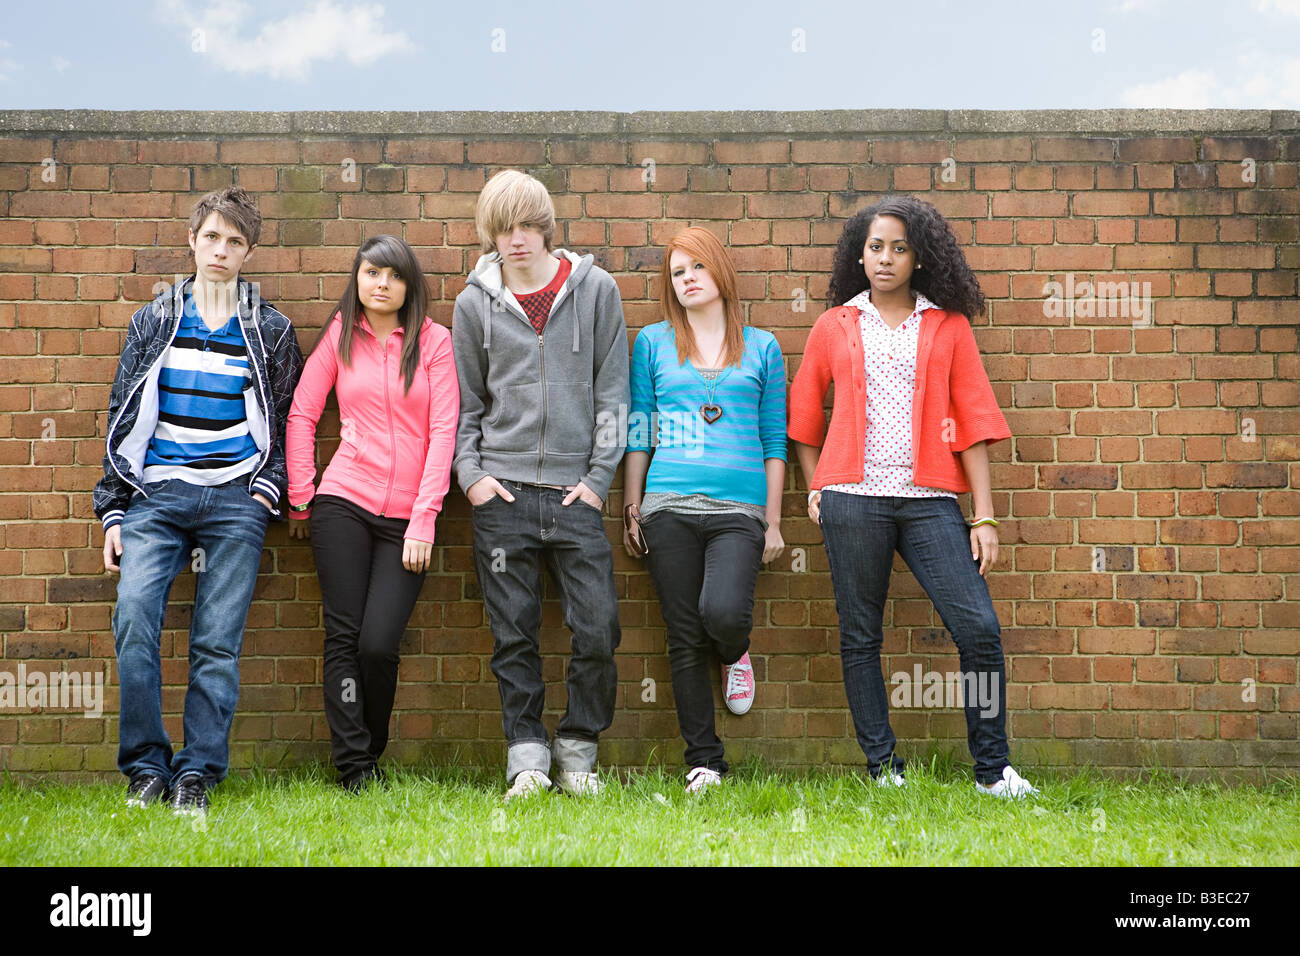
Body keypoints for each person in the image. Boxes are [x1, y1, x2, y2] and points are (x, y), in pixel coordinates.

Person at [788, 195, 1038, 798]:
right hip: (852, 500)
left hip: (929, 501)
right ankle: (883, 769)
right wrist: (816, 484)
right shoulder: (835, 325)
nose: (886, 258)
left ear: (919, 258)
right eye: (876, 246)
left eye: (900, 248)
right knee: (860, 636)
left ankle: (992, 771)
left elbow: (973, 420)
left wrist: (983, 516)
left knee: (978, 628)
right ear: (860, 253)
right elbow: (801, 416)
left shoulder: (946, 326)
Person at [95, 186, 304, 816]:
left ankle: (198, 775)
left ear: (248, 252)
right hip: (156, 497)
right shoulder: (154, 320)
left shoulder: (270, 330)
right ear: (193, 241)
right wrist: (113, 510)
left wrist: (266, 491)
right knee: (135, 621)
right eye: (211, 237)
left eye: (235, 241)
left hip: (236, 498)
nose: (221, 250)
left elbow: (288, 419)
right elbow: (121, 416)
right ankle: (146, 769)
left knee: (216, 642)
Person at [451, 170, 629, 800]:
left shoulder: (596, 290)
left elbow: (614, 393)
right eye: (504, 228)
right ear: (490, 233)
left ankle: (578, 753)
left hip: (575, 495)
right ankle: (526, 755)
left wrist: (599, 479)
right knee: (513, 634)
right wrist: (471, 477)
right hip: (502, 496)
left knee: (599, 628)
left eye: (527, 226)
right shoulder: (473, 303)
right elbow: (465, 403)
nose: (517, 239)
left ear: (546, 227)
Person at [285, 235, 458, 792]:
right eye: (370, 273)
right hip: (343, 503)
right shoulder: (340, 337)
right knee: (343, 636)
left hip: (408, 518)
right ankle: (355, 769)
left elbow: (443, 433)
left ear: (409, 286)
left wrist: (425, 518)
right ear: (356, 279)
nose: (380, 284)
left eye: (393, 275)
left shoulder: (435, 343)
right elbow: (302, 415)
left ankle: (370, 748)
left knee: (378, 644)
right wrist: (302, 494)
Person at [622, 227, 786, 795]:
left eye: (696, 267)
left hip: (740, 510)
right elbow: (639, 429)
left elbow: (774, 441)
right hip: (667, 503)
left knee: (721, 615)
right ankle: (705, 762)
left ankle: (735, 653)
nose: (687, 278)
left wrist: (774, 519)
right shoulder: (651, 343)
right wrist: (632, 503)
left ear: (720, 271)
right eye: (676, 272)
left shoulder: (763, 346)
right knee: (683, 633)